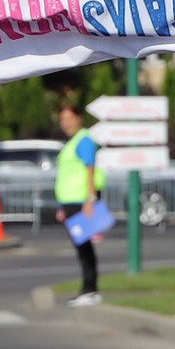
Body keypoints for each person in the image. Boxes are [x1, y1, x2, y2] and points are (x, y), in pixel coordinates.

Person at [53, 103, 102, 307]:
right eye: (63, 119)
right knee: (81, 247)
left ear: (79, 118)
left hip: (81, 201)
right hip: (70, 202)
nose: (66, 123)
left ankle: (90, 290)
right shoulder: (73, 142)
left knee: (84, 247)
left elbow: (90, 169)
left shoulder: (83, 140)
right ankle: (87, 289)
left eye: (69, 118)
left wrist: (90, 199)